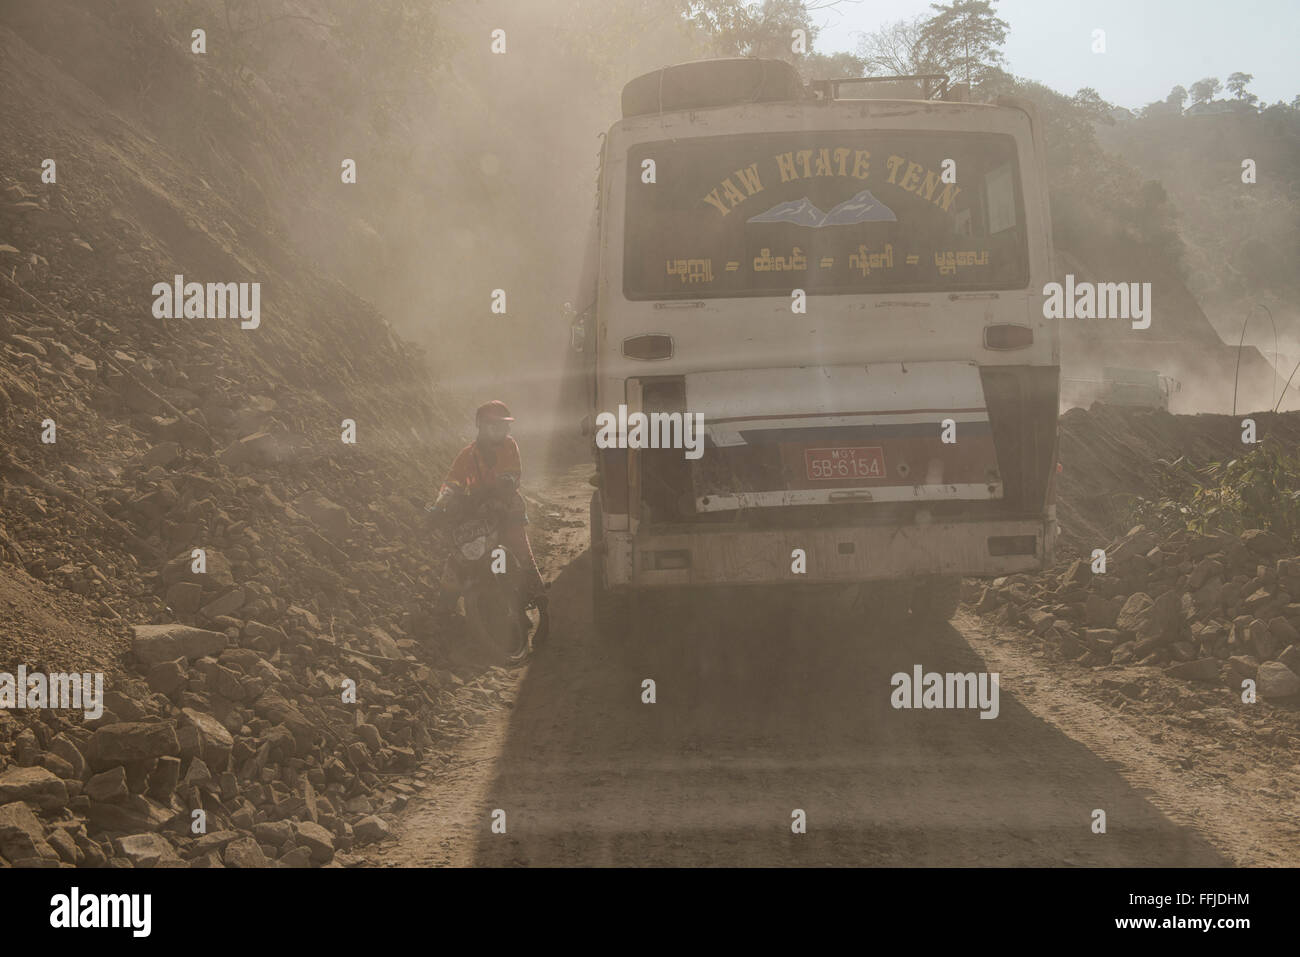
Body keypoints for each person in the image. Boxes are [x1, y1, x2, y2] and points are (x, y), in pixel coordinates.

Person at [432, 400, 546, 621]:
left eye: (504, 426)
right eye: (495, 425)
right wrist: (438, 506)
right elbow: (451, 483)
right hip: (478, 515)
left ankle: (543, 608)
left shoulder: (509, 446)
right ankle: (445, 610)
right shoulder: (467, 456)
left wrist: (496, 490)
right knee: (457, 557)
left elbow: (512, 475)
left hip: (507, 512)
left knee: (523, 555)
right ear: (481, 425)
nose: (501, 430)